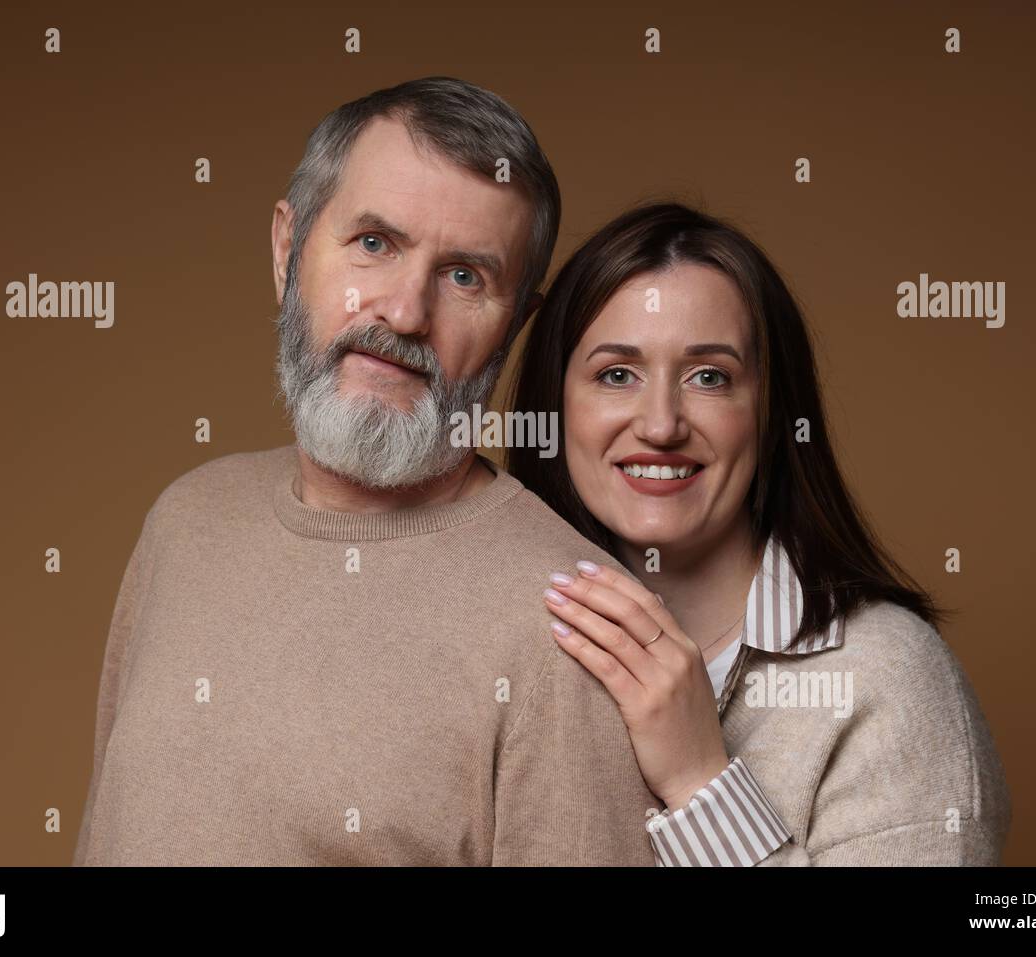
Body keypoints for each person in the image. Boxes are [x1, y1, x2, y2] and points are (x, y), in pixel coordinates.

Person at [72, 77, 662, 866]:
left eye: (465, 277)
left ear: (518, 320)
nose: (405, 312)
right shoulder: (185, 520)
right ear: (288, 250)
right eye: (375, 244)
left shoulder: (569, 620)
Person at [507, 201, 1012, 865]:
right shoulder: (503, 639)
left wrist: (700, 783)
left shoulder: (890, 680)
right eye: (617, 374)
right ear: (555, 404)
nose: (660, 423)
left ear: (773, 414)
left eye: (709, 376)